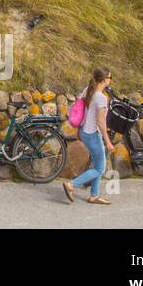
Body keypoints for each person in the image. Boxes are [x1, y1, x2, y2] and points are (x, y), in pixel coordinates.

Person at [63, 67, 115, 206]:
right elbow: (100, 122)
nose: (111, 80)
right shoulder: (101, 97)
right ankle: (71, 184)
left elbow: (81, 110)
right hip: (93, 134)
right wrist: (108, 141)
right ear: (104, 80)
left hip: (84, 132)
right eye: (110, 77)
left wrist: (79, 130)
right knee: (100, 168)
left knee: (98, 164)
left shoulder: (88, 90)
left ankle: (94, 195)